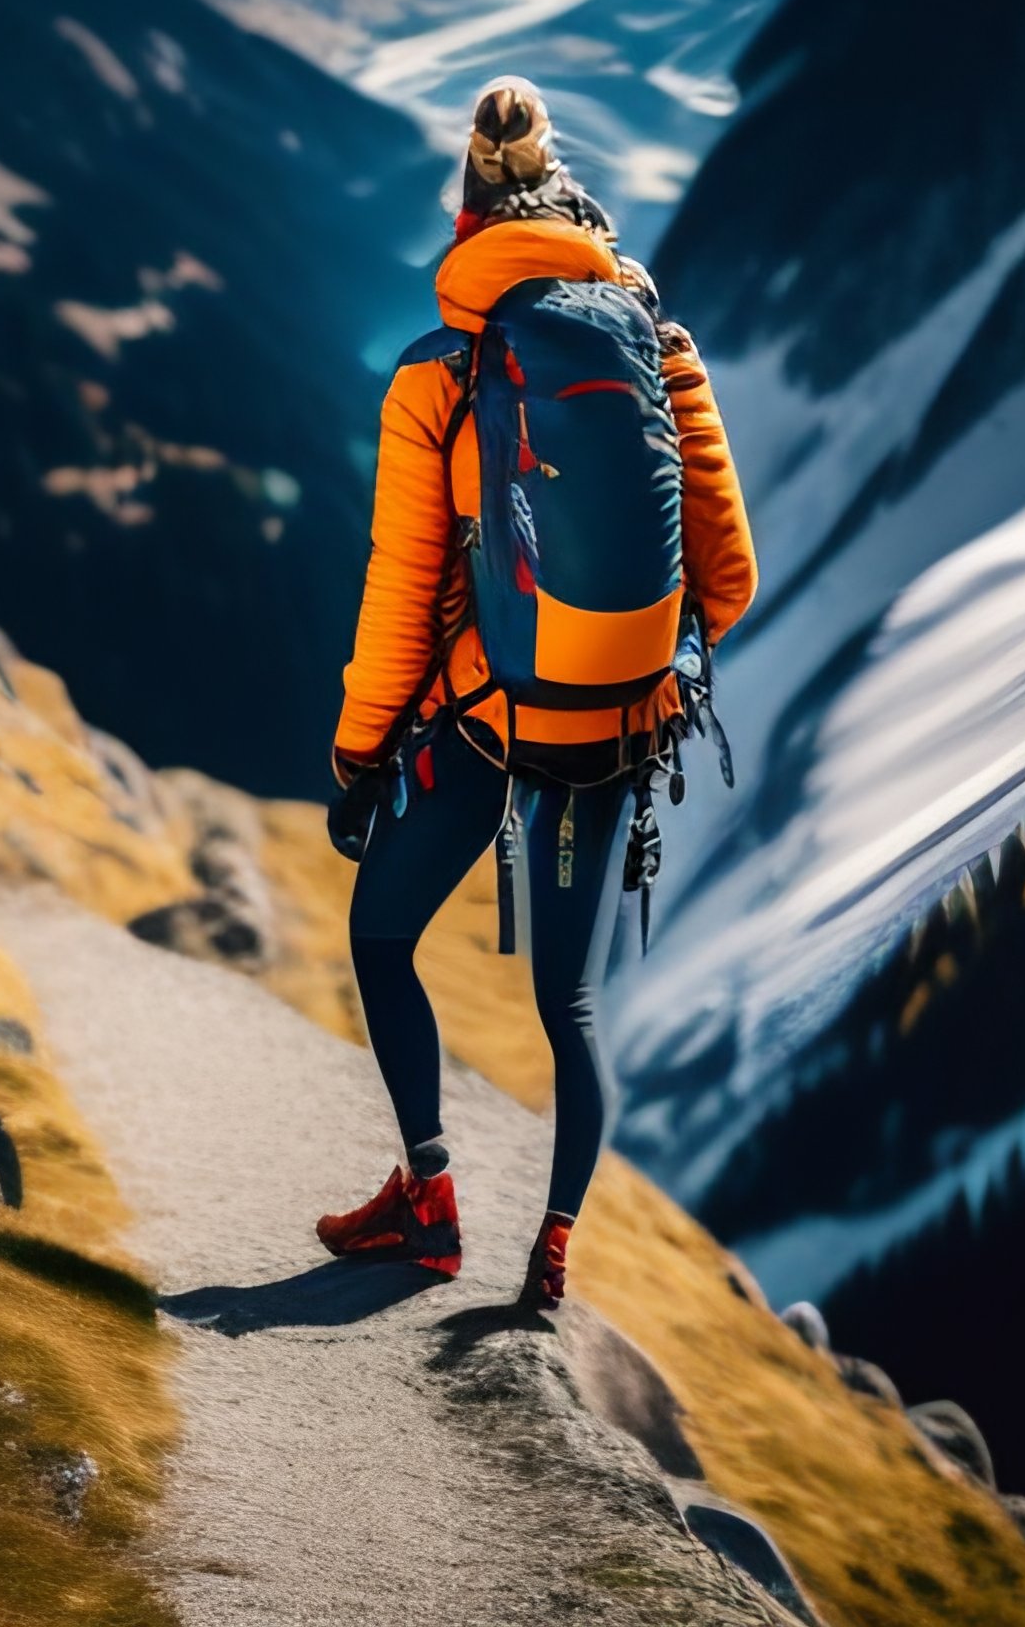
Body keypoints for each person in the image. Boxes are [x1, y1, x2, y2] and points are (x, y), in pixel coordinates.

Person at [317, 76, 757, 1313]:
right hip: (613, 727)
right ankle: (551, 1252)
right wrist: (613, 643)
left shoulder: (438, 374)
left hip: (482, 717)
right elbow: (726, 583)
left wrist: (360, 760)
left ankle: (430, 1200)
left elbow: (401, 597)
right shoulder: (661, 349)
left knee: (381, 933)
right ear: (582, 213)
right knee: (568, 1004)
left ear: (467, 229)